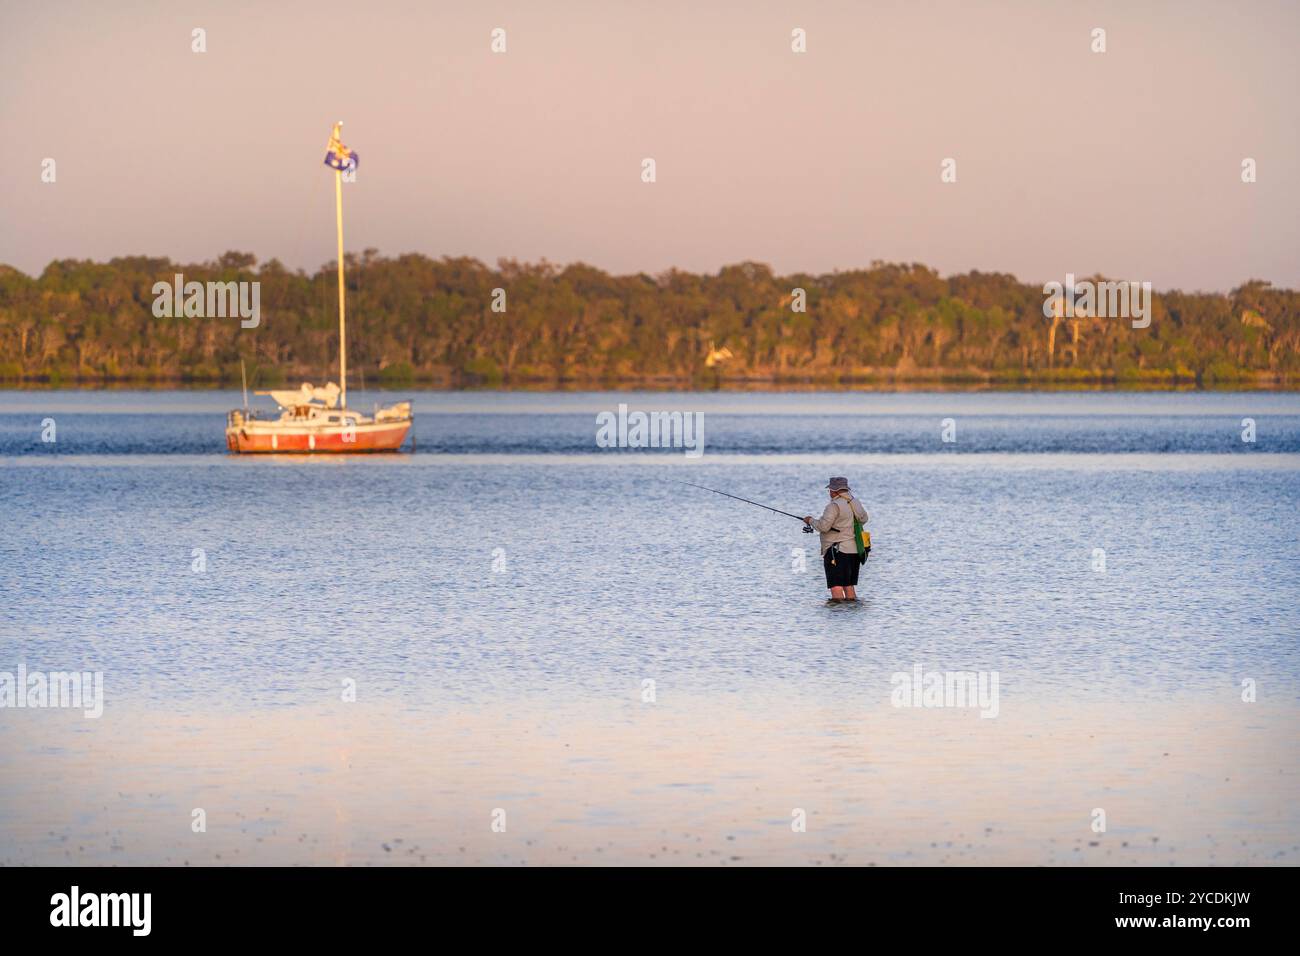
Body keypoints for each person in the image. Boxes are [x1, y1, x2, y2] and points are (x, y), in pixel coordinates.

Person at [804, 476, 868, 601]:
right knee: (849, 586)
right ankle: (851, 614)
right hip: (855, 550)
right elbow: (864, 519)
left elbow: (823, 527)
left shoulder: (833, 506)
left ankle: (838, 615)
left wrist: (810, 520)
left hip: (837, 551)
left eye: (830, 490)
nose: (829, 493)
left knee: (836, 586)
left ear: (834, 491)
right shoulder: (855, 502)